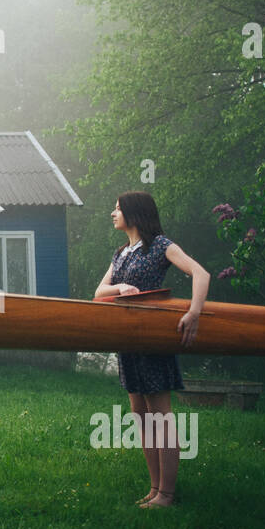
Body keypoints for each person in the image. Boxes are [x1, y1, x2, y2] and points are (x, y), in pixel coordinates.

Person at [94, 191, 209, 508]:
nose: (112, 213)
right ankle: (155, 489)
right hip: (127, 342)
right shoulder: (121, 254)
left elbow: (201, 273)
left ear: (134, 213)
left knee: (160, 416)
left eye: (117, 209)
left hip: (153, 339)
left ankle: (167, 495)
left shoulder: (160, 245)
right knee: (141, 417)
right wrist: (120, 287)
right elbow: (98, 293)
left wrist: (194, 313)